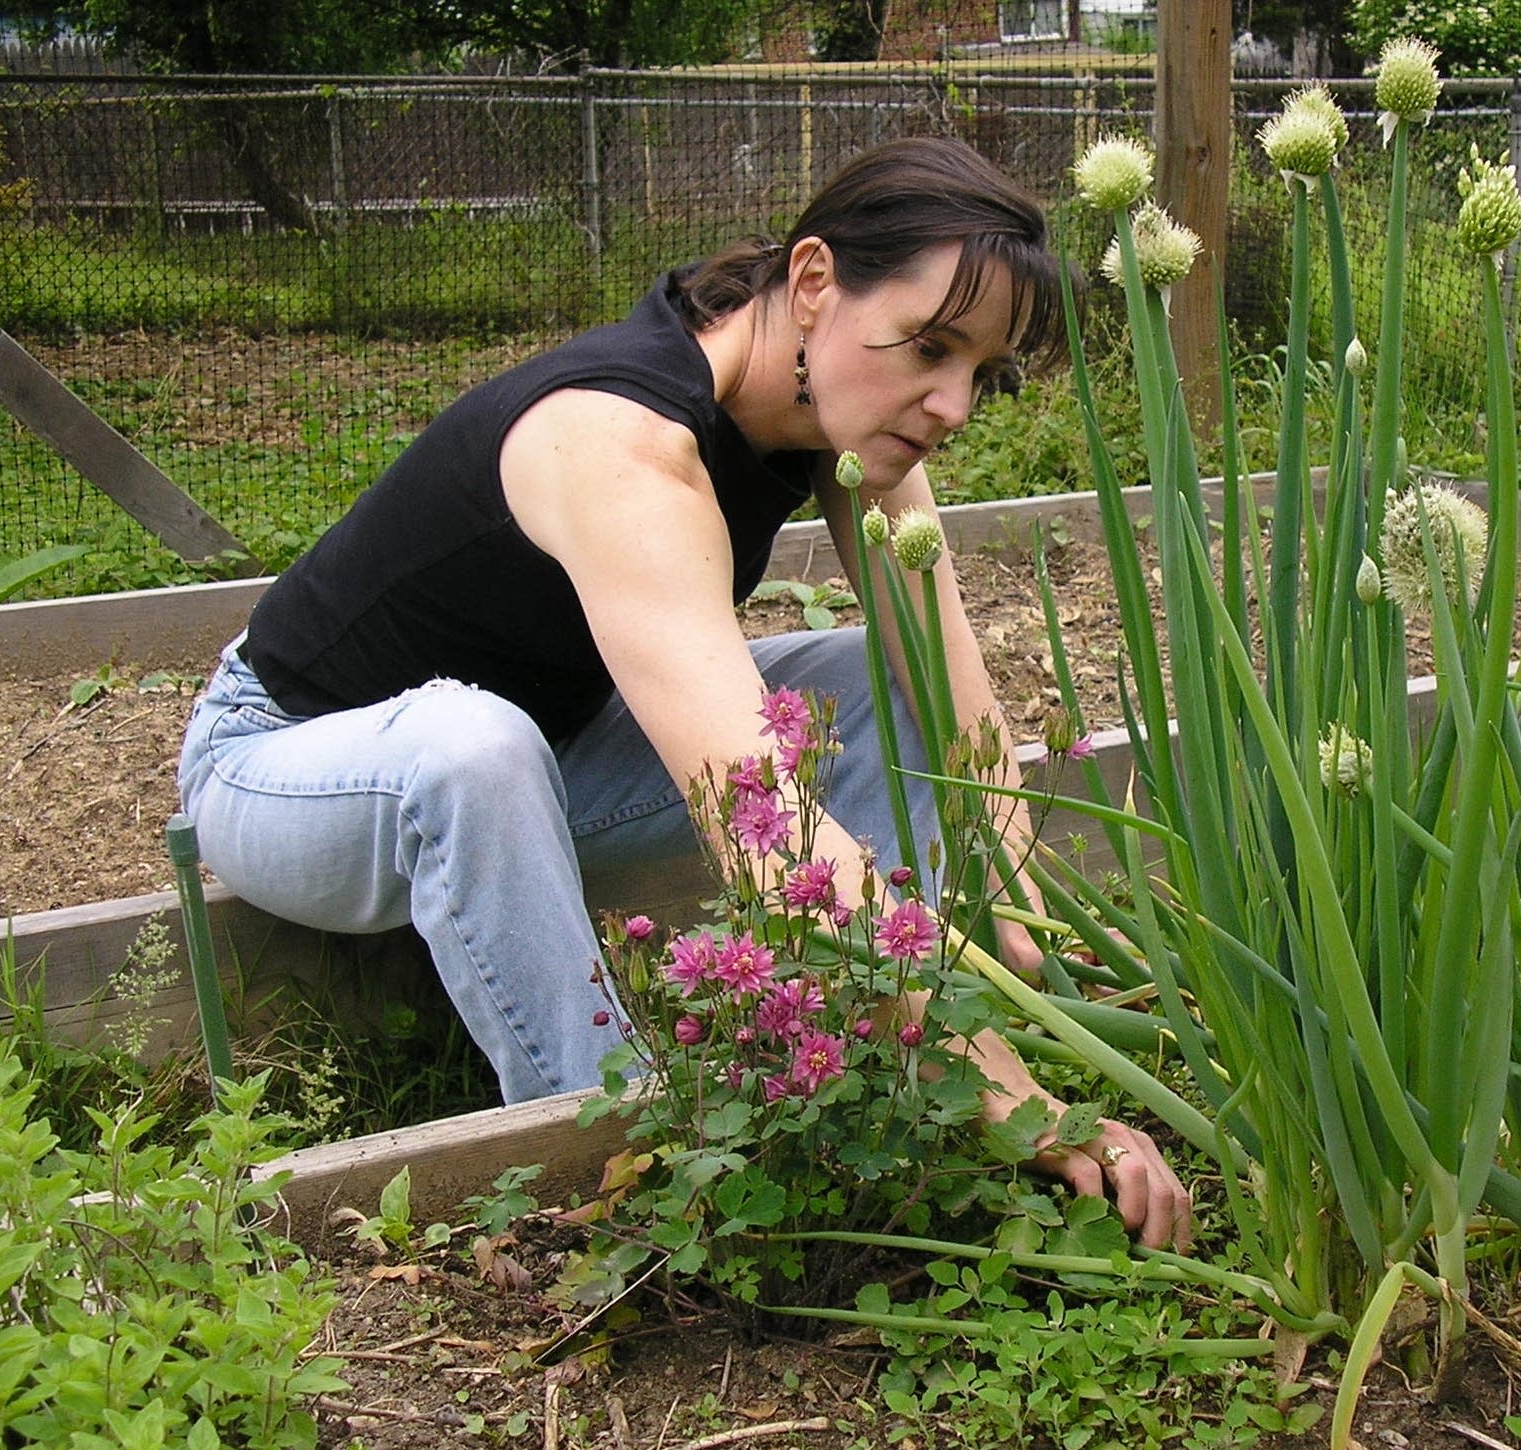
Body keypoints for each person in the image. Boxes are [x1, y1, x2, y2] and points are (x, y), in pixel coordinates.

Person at [178, 135, 1191, 1250]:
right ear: (812, 283)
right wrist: (1005, 1094)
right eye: (930, 347)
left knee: (860, 675)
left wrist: (1026, 949)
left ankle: (919, 1028)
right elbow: (766, 824)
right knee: (469, 744)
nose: (949, 403)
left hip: (547, 758)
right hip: (290, 760)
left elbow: (954, 702)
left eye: (978, 374)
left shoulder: (841, 411)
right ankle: (614, 1154)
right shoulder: (625, 446)